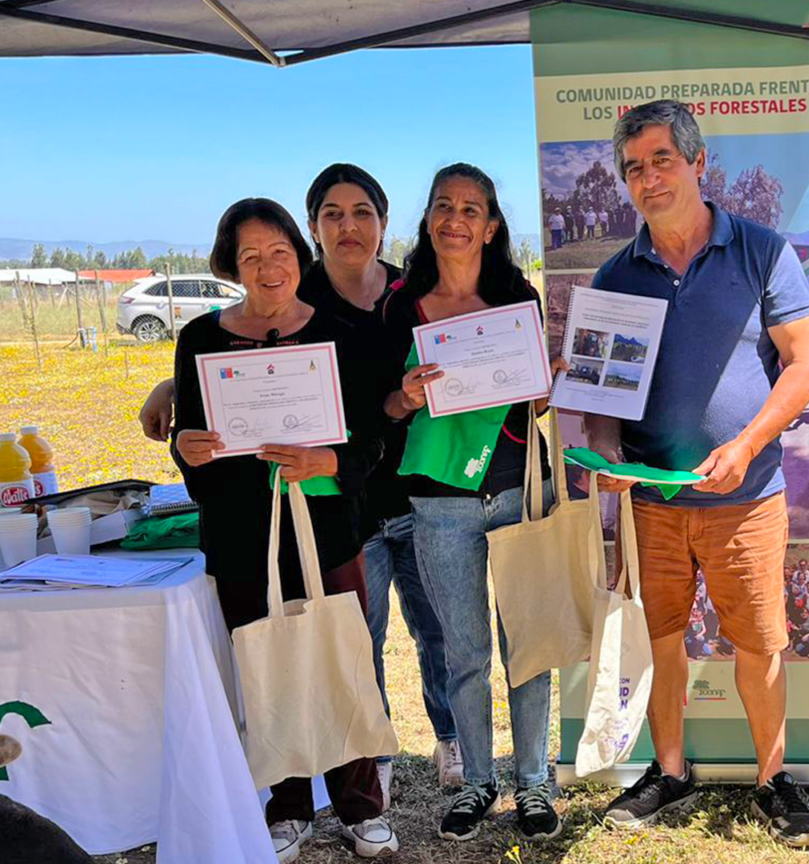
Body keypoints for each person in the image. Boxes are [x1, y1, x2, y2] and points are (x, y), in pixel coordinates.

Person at [138, 164, 465, 799]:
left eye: (362, 212)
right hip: (329, 510)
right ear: (313, 228)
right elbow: (239, 358)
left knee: (429, 635)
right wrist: (178, 399)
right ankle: (341, 770)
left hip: (414, 492)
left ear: (384, 220)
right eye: (333, 214)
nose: (350, 226)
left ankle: (434, 746)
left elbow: (410, 388)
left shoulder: (412, 293)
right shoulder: (292, 295)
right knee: (342, 647)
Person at [582, 100, 809, 848]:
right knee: (661, 636)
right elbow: (597, 400)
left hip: (747, 497)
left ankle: (772, 777)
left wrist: (747, 444)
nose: (648, 178)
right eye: (633, 168)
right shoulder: (616, 274)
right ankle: (670, 769)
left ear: (697, 163)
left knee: (759, 640)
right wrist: (607, 453)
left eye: (661, 159)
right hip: (654, 502)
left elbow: (806, 365)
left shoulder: (760, 250)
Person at [169, 198, 398, 861]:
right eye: (250, 256)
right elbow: (190, 437)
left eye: (279, 252)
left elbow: (370, 440)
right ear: (230, 266)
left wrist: (329, 460)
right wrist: (187, 449)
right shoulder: (201, 339)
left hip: (325, 527)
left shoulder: (338, 336)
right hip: (242, 533)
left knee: (338, 661)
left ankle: (360, 806)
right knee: (266, 665)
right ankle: (288, 805)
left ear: (299, 255)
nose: (268, 268)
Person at [381, 163, 560, 844]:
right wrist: (404, 395)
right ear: (428, 219)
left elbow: (534, 400)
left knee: (529, 648)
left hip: (516, 490)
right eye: (443, 206)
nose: (456, 219)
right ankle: (481, 781)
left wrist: (550, 386)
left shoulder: (520, 298)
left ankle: (534, 783)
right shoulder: (399, 305)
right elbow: (382, 406)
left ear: (491, 225)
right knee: (463, 652)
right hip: (438, 504)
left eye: (471, 208)